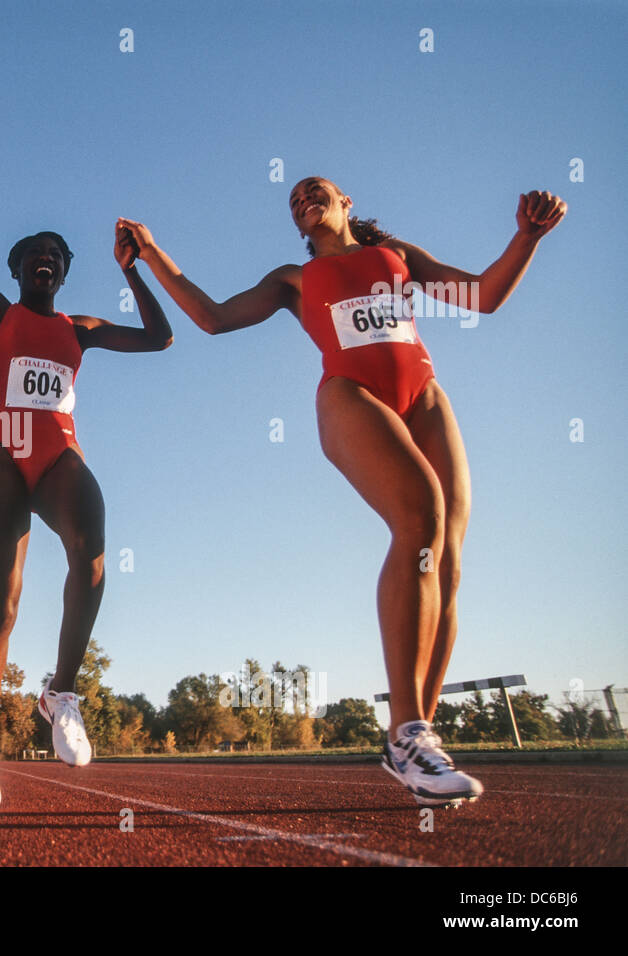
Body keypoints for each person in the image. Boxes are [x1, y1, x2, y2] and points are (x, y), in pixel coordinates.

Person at [117, 178, 566, 806]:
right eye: (294, 198)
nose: (304, 197)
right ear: (298, 225)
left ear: (346, 201)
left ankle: (415, 740)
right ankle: (407, 730)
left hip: (425, 398)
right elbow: (213, 318)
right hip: (351, 394)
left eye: (316, 190)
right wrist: (153, 251)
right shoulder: (290, 281)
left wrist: (527, 237)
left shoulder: (397, 255)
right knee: (420, 518)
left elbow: (482, 297)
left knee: (449, 560)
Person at [0, 155, 172, 811]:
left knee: (91, 558)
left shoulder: (80, 329)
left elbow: (160, 337)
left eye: (57, 256)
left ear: (65, 272)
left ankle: (61, 693)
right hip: (4, 455)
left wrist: (131, 268)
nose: (46, 261)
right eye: (35, 254)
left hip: (59, 453)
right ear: (15, 270)